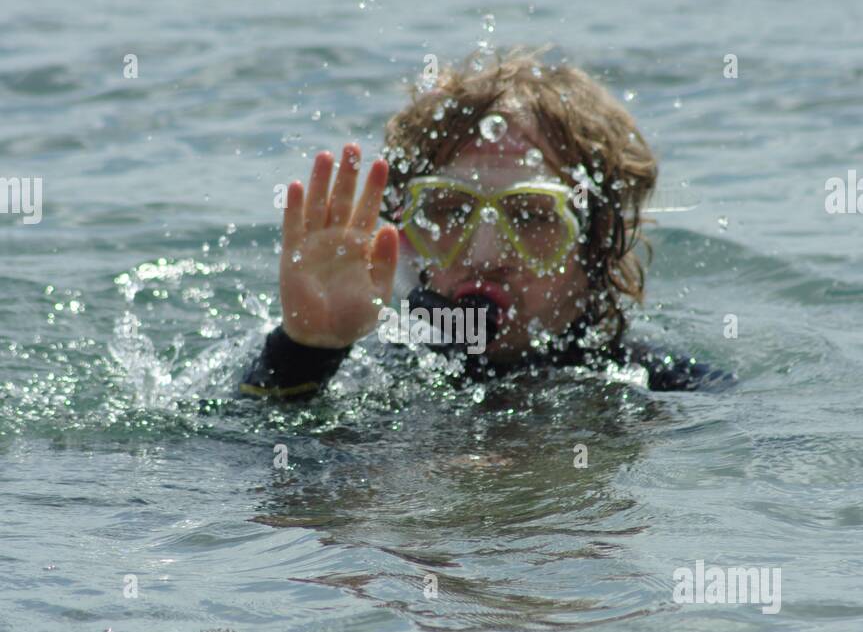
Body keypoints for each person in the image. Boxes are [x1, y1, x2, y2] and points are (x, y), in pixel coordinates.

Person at [240, 49, 732, 402]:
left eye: (533, 216)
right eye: (450, 211)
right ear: (405, 234)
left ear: (599, 240)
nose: (485, 253)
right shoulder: (372, 377)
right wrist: (307, 350)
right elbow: (247, 481)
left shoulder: (663, 391)